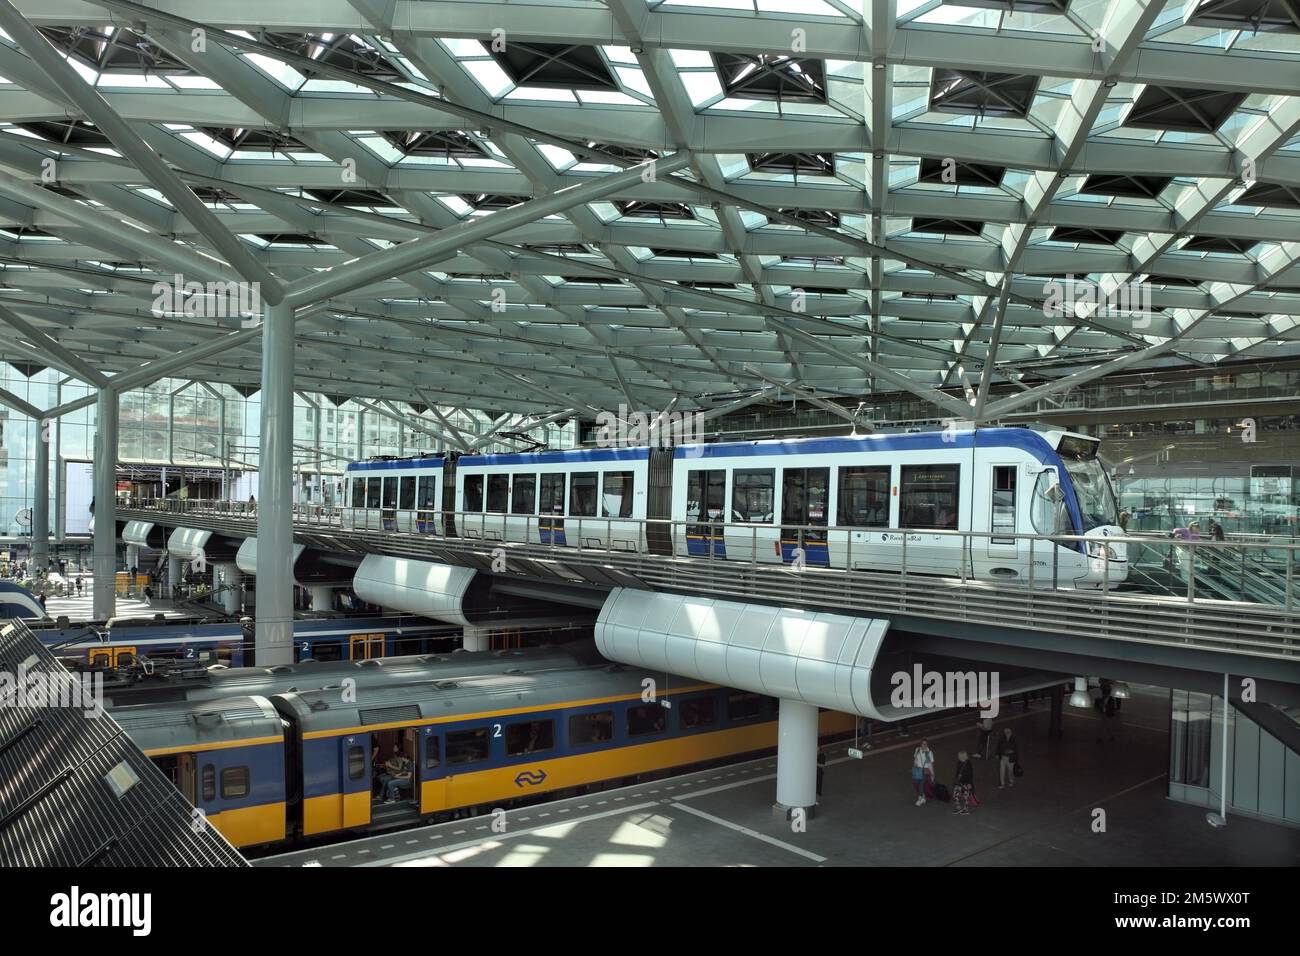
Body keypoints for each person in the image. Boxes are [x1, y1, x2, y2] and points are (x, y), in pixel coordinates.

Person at [911, 738, 935, 806]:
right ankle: (923, 797)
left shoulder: (929, 752)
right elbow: (915, 759)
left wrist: (932, 774)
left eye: (926, 744)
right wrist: (914, 767)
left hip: (925, 770)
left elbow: (930, 764)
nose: (924, 745)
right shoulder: (917, 749)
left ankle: (920, 798)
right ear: (920, 744)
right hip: (918, 770)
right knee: (917, 783)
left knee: (921, 783)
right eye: (923, 744)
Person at [952, 751, 975, 815]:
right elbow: (957, 773)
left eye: (959, 755)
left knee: (965, 796)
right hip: (959, 782)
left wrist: (969, 783)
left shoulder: (968, 764)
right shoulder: (959, 762)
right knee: (955, 794)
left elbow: (970, 775)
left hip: (966, 783)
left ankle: (966, 809)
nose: (958, 756)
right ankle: (958, 807)